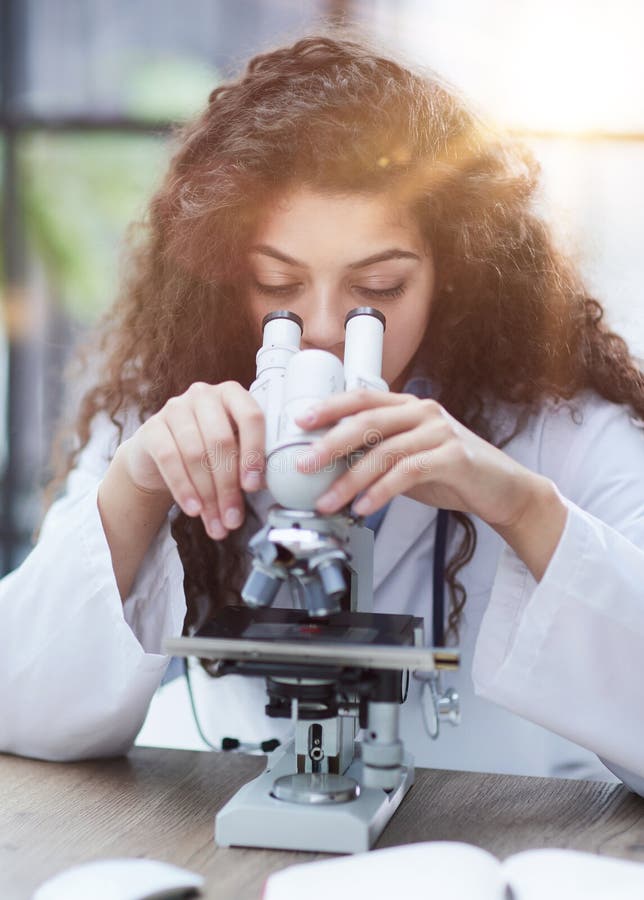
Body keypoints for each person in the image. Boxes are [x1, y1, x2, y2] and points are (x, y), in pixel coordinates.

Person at [1, 32, 643, 795]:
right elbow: (22, 705)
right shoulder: (171, 404)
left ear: (457, 272)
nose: (327, 328)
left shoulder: (558, 424)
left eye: (377, 290)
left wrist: (522, 506)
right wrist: (133, 488)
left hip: (491, 833)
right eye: (279, 286)